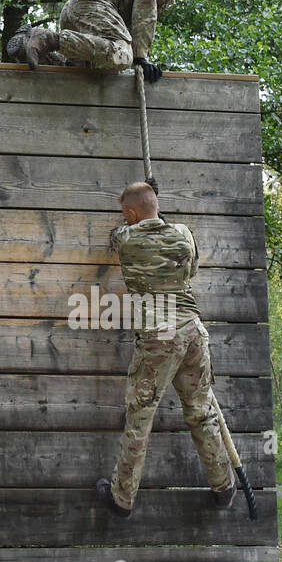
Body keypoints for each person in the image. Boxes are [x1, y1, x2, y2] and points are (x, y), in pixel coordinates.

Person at [95, 181, 236, 517]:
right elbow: (191, 268)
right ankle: (224, 485)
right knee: (201, 411)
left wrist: (138, 219)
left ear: (129, 213)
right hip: (193, 330)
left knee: (140, 415)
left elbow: (118, 234)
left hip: (160, 336)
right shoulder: (184, 235)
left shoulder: (126, 239)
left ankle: (122, 497)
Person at [18, 0, 211, 81]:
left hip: (82, 10)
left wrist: (143, 62)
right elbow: (145, 9)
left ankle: (32, 49)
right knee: (123, 55)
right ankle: (47, 39)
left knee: (83, 76)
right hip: (93, 2)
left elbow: (134, 22)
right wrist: (140, 57)